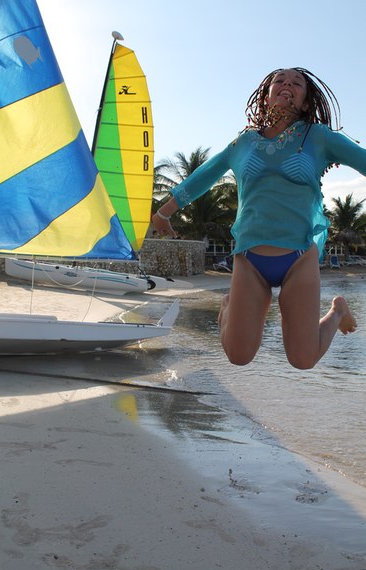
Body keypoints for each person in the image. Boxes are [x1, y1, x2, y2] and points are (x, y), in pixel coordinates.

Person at [152, 68, 361, 370]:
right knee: (239, 355)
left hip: (299, 256)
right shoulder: (244, 143)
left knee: (303, 359)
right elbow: (206, 174)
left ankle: (338, 310)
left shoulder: (318, 137)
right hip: (250, 258)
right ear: (265, 98)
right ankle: (228, 305)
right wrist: (164, 211)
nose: (287, 84)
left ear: (305, 102)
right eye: (280, 81)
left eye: (297, 83)